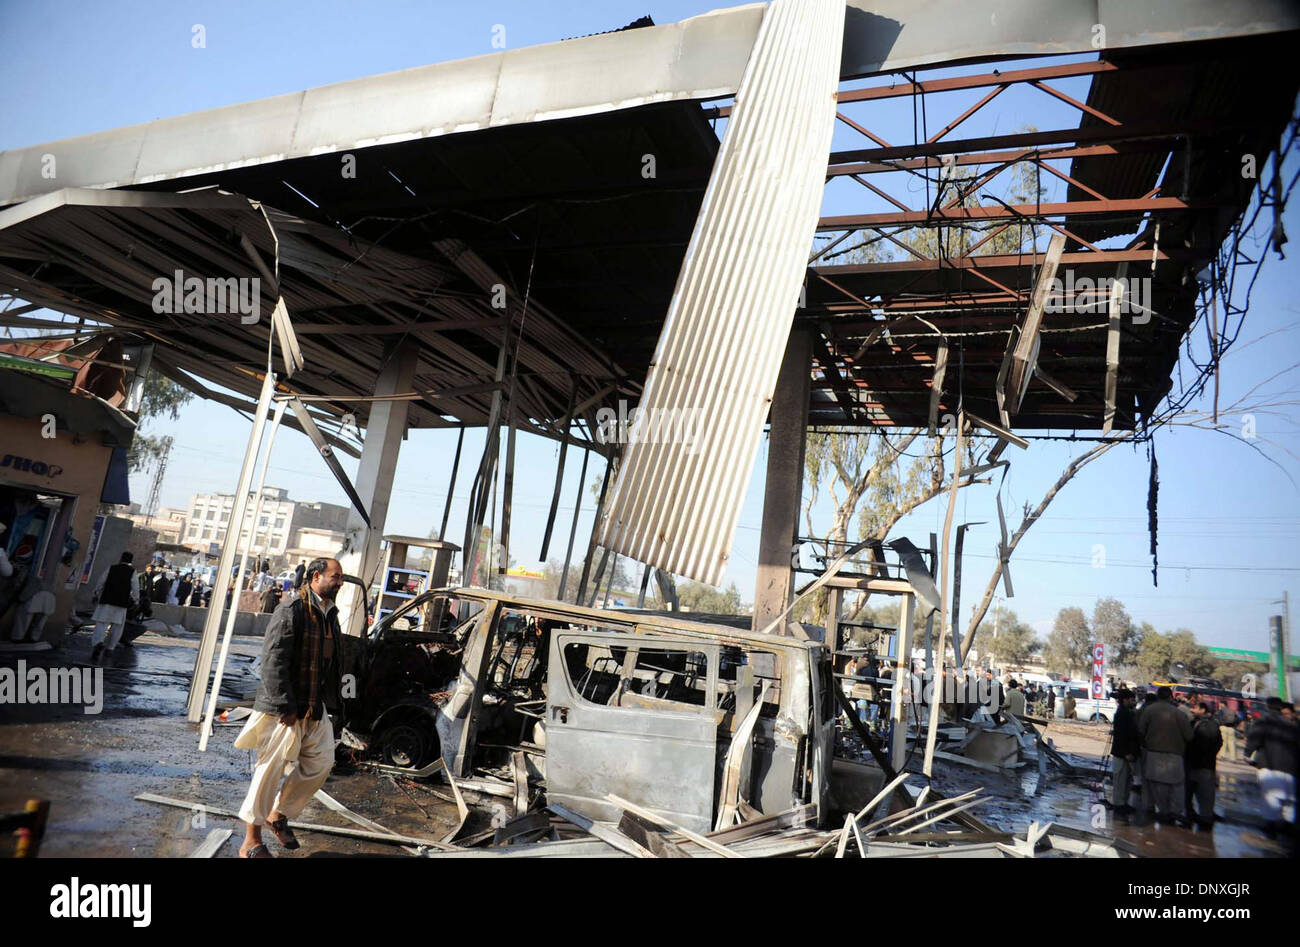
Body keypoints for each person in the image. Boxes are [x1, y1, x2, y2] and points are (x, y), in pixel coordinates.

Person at [235, 558, 345, 858]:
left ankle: (278, 814)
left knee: (321, 763)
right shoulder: (292, 609)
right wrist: (284, 704)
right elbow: (273, 659)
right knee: (268, 772)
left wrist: (337, 704)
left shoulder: (330, 613)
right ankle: (251, 842)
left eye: (341, 578)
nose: (340, 583)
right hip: (285, 709)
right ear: (315, 576)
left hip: (314, 707)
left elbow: (332, 663)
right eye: (335, 577)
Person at [1137, 686, 1194, 824]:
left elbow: (1140, 731)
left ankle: (1162, 812)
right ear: (1170, 697)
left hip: (1153, 755)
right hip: (1175, 757)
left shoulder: (1149, 711)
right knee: (1176, 788)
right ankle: (1174, 813)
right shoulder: (1179, 714)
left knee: (1157, 788)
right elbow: (1189, 736)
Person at [1244, 696, 1299, 839]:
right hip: (1290, 768)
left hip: (1269, 766)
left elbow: (1254, 739)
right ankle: (1288, 826)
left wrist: (1248, 754)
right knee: (1289, 799)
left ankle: (1271, 827)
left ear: (1267, 706)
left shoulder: (1263, 722)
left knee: (1270, 797)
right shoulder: (1292, 725)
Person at [91, 551, 138, 662]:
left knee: (101, 624)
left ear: (121, 558)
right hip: (121, 604)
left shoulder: (111, 568)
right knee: (117, 627)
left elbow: (101, 581)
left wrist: (95, 593)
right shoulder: (132, 572)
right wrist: (136, 601)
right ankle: (110, 648)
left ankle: (98, 643)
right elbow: (135, 588)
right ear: (131, 561)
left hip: (106, 601)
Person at [1185, 701, 1223, 829]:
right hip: (1202, 765)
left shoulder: (1208, 725)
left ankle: (1204, 819)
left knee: (1203, 794)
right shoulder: (1198, 723)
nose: (1191, 710)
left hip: (1200, 765)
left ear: (1202, 709)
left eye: (1194, 707)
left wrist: (1200, 755)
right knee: (1197, 794)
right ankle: (1199, 816)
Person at [1110, 689, 1140, 816]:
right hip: (1122, 753)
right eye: (1131, 699)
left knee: (1127, 781)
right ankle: (1118, 804)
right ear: (1125, 700)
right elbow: (1122, 735)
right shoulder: (1122, 714)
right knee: (1120, 781)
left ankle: (1124, 803)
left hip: (1127, 753)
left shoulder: (1127, 712)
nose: (1133, 702)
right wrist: (1126, 752)